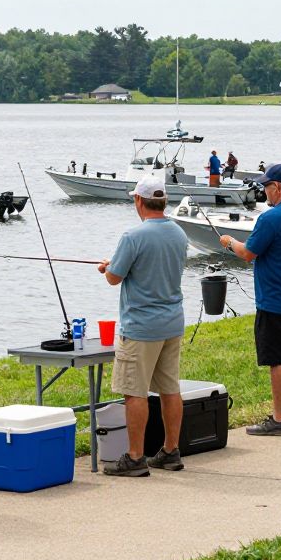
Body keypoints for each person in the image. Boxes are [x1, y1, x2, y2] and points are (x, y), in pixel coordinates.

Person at [98, 175, 188, 476]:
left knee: (134, 392)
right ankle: (171, 451)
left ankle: (135, 457)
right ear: (163, 202)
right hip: (172, 323)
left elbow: (114, 277)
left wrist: (107, 267)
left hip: (140, 327)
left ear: (139, 200)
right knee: (169, 389)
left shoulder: (133, 237)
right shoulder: (179, 234)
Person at [219, 164, 281, 435]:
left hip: (275, 300)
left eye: (265, 187)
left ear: (276, 188)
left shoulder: (271, 218)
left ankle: (279, 418)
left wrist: (228, 241)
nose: (264, 193)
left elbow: (249, 253)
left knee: (277, 360)